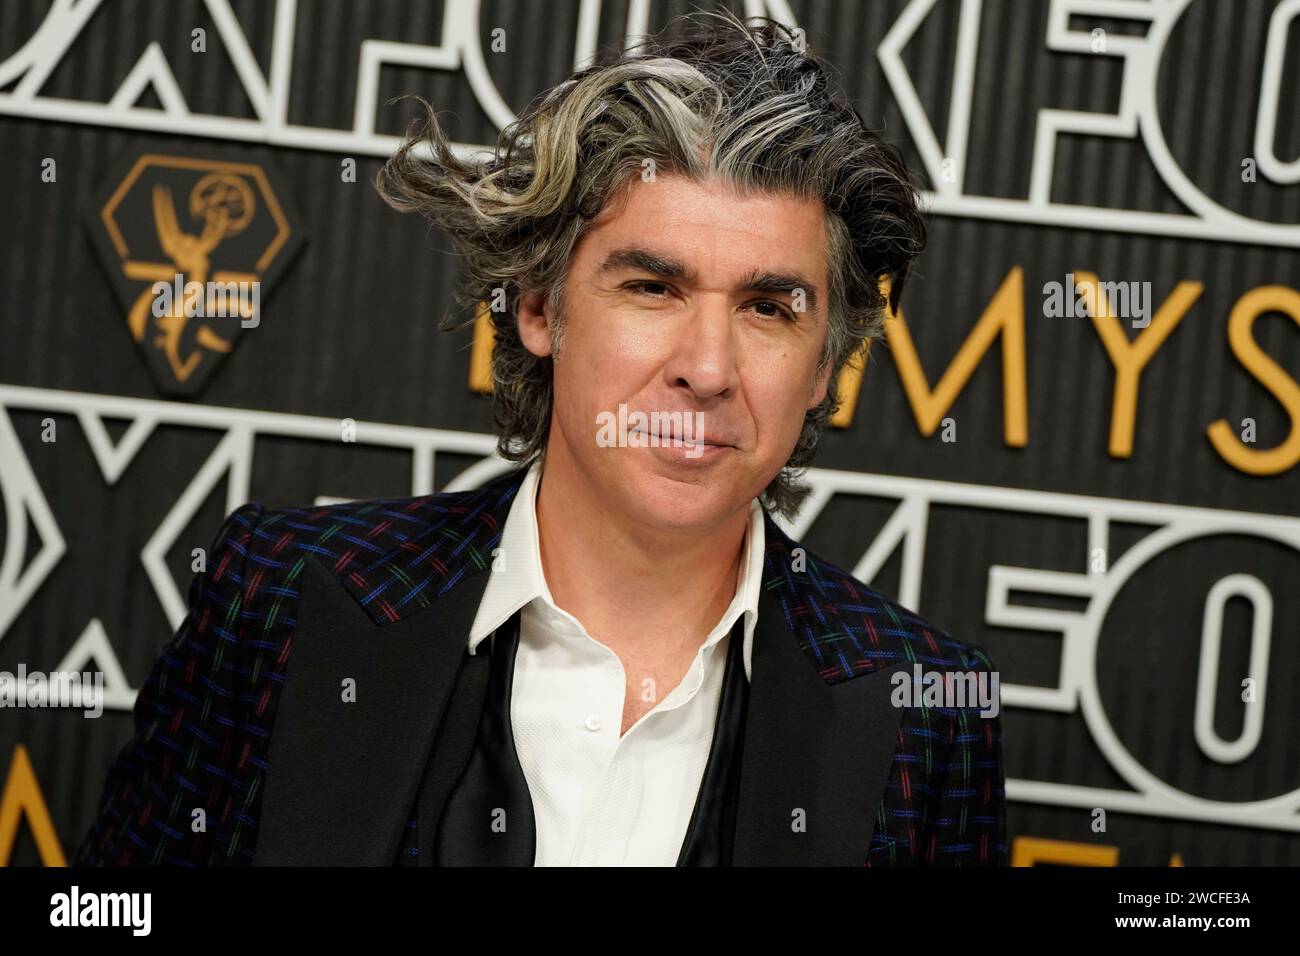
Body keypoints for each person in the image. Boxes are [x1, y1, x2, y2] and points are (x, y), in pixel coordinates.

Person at [77, 10, 1006, 867]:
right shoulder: (282, 598)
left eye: (769, 307)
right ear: (537, 307)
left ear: (822, 367)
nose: (709, 367)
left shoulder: (926, 712)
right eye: (653, 288)